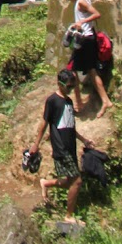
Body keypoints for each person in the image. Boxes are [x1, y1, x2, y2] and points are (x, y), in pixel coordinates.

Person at [28, 68, 95, 221]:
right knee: (77, 182)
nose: (71, 90)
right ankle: (68, 216)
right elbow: (44, 123)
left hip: (71, 146)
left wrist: (84, 140)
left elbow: (70, 126)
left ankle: (46, 183)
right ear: (59, 84)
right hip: (61, 147)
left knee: (71, 181)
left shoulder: (69, 102)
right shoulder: (52, 100)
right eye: (69, 86)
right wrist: (36, 144)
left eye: (73, 87)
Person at [58, 0, 112, 118]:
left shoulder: (81, 2)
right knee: (90, 71)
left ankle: (81, 103)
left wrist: (81, 22)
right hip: (87, 39)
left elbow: (97, 14)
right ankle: (100, 101)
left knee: (73, 69)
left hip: (85, 40)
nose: (66, 0)